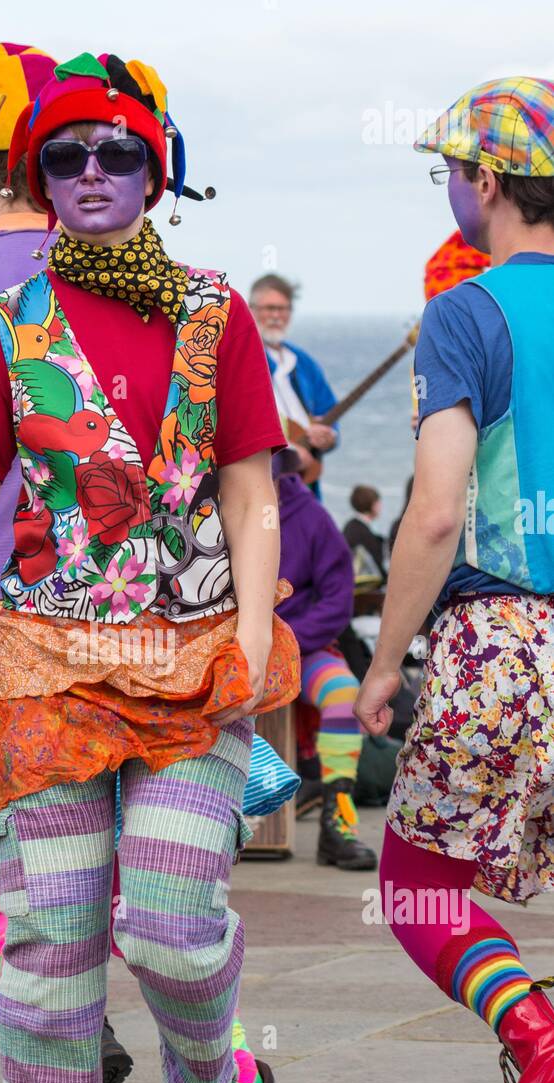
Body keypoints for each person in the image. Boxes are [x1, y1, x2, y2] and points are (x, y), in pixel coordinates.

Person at [0, 51, 299, 1083]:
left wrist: (245, 636)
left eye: (115, 154)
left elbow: (249, 488)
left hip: (186, 661)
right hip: (39, 665)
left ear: (153, 173)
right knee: (50, 935)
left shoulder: (214, 313)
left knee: (172, 922)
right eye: (61, 156)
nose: (87, 174)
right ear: (35, 172)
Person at [355, 77, 554, 1083]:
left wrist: (385, 661)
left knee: (419, 885)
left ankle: (532, 1037)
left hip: (500, 632)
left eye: (450, 170)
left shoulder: (466, 311)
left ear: (483, 180)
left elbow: (434, 510)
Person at [277, 460, 377, 869]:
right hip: (226, 650)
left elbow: (338, 601)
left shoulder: (312, 517)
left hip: (303, 649)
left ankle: (340, 824)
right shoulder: (212, 503)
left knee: (344, 695)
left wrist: (285, 640)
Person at [249, 273, 339, 491]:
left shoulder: (304, 362)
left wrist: (330, 437)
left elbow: (329, 411)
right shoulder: (246, 357)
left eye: (284, 309)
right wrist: (288, 452)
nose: (277, 316)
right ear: (251, 310)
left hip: (304, 483)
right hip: (264, 481)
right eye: (270, 308)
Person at [343, 484, 388, 581]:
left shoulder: (349, 526)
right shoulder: (364, 533)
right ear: (373, 505)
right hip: (364, 584)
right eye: (378, 502)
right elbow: (377, 565)